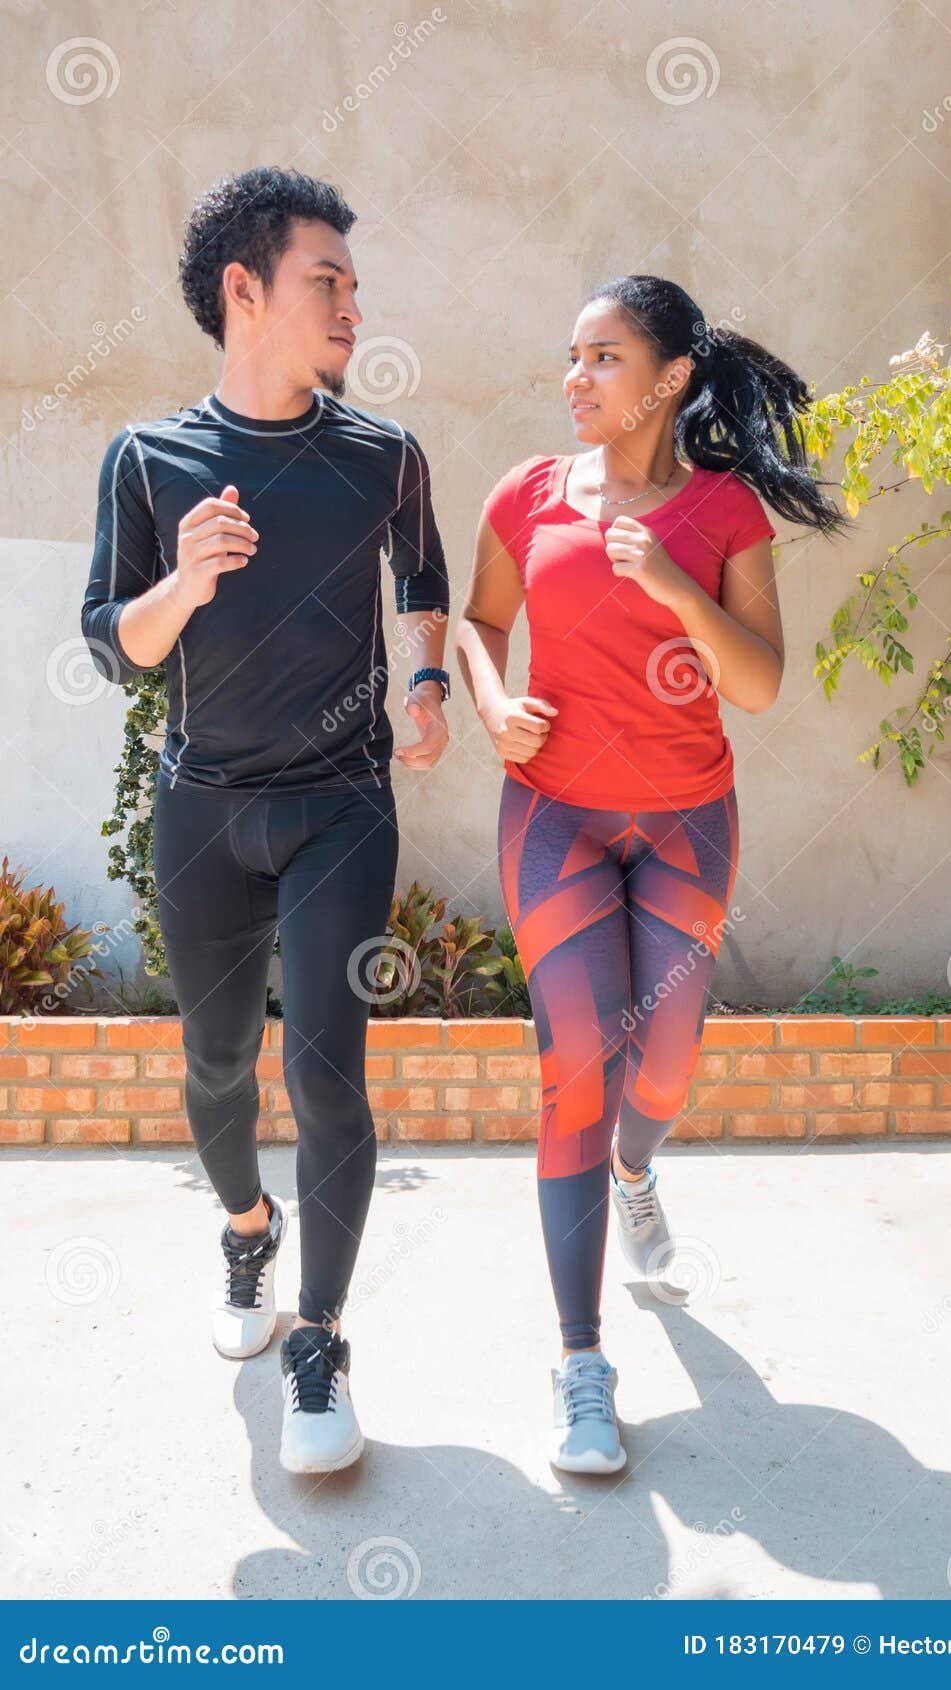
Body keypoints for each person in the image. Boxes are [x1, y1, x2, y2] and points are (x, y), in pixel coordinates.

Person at [80, 166, 451, 1475]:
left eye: (354, 283)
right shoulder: (147, 458)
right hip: (202, 811)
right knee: (217, 1067)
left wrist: (422, 677)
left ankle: (323, 1339)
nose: (352, 304)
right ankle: (246, 1227)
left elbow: (423, 562)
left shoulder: (380, 454)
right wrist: (183, 580)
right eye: (326, 281)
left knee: (326, 1067)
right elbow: (114, 645)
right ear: (245, 290)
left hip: (342, 806)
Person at [456, 274, 844, 1474]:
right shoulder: (524, 494)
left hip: (685, 823)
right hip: (554, 818)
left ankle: (636, 1169)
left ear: (668, 379)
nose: (573, 379)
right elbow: (477, 621)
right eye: (568, 358)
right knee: (577, 1068)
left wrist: (672, 585)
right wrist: (490, 700)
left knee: (661, 1067)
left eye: (601, 358)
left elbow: (760, 683)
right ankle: (581, 1362)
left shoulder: (724, 513)